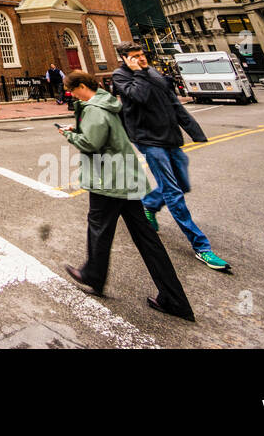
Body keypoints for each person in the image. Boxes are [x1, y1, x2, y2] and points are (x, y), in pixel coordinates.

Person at [58, 71, 195, 322]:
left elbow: (90, 143)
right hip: (126, 180)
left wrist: (69, 134)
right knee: (146, 239)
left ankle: (94, 275)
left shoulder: (95, 109)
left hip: (109, 181)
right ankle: (175, 299)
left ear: (80, 86)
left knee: (98, 227)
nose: (71, 95)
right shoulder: (106, 103)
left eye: (72, 90)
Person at [111, 43, 231, 273]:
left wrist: (195, 131)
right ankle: (201, 246)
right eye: (135, 57)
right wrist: (137, 72)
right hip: (148, 139)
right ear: (125, 59)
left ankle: (150, 204)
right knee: (173, 191)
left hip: (170, 136)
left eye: (142, 55)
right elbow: (139, 96)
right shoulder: (121, 76)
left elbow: (174, 104)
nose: (141, 59)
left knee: (183, 183)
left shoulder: (154, 73)